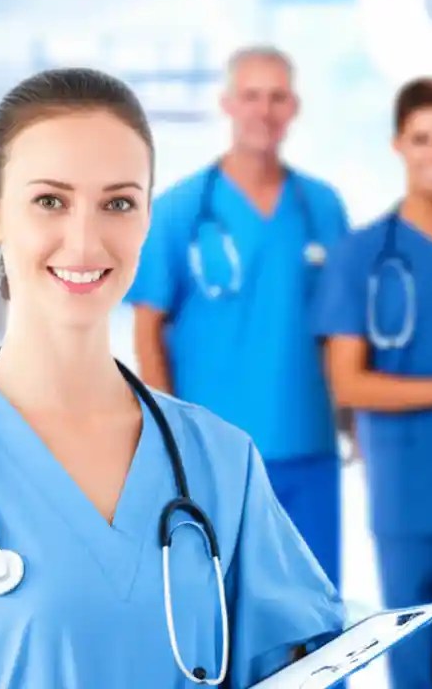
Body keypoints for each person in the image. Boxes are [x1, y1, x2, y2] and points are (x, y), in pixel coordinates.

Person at [0, 68, 344, 688]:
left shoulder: (222, 464)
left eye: (118, 203)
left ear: (146, 221)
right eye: (50, 200)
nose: (85, 240)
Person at [126, 45, 350, 588]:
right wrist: (169, 439)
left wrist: (355, 421)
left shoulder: (322, 207)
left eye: (277, 97)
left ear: (293, 107)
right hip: (213, 456)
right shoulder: (182, 208)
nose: (264, 110)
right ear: (227, 103)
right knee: (220, 618)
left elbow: (342, 332)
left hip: (308, 446)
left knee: (317, 622)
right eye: (251, 96)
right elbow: (148, 330)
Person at [313, 77, 432, 688]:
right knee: (414, 664)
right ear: (398, 144)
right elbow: (349, 385)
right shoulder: (361, 253)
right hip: (407, 485)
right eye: (421, 139)